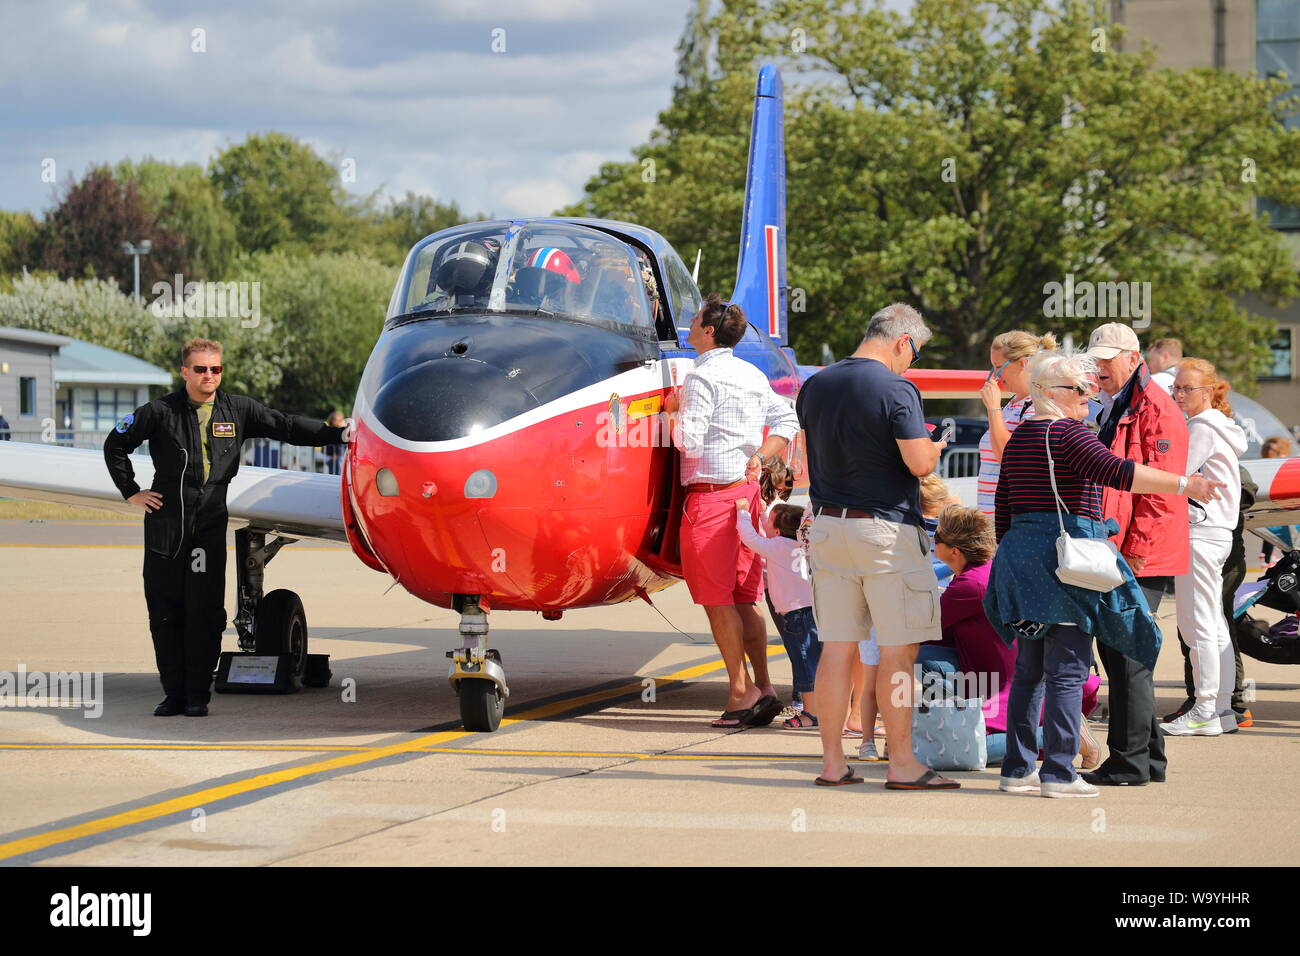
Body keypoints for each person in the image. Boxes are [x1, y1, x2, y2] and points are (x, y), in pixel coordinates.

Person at [984, 348, 1222, 797]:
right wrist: (1184, 484)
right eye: (1080, 389)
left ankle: (1017, 769)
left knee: (1030, 670)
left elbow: (1003, 506)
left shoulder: (1020, 438)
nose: (1089, 398)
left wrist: (1009, 559)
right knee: (1068, 669)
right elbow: (1119, 473)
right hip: (1066, 562)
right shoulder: (1069, 434)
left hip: (1023, 558)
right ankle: (1057, 772)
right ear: (1052, 392)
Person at [104, 338, 351, 717]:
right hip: (167, 522)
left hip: (209, 518)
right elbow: (115, 443)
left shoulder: (238, 409)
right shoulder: (158, 411)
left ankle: (197, 696)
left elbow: (285, 426)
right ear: (185, 372)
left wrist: (336, 434)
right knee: (165, 611)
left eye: (215, 369)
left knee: (203, 611)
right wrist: (131, 492)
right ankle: (173, 694)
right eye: (200, 369)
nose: (208, 375)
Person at [796, 302, 958, 790]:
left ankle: (832, 762)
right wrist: (933, 446)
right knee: (896, 651)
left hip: (828, 526)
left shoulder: (815, 385)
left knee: (836, 649)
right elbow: (918, 464)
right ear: (901, 341)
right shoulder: (896, 387)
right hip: (885, 531)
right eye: (915, 353)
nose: (913, 363)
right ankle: (902, 763)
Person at [667, 294, 799, 729]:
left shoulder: (701, 377)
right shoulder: (751, 373)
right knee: (745, 596)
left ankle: (739, 694)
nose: (688, 325)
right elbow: (788, 421)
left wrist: (670, 414)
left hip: (710, 497)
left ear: (708, 330)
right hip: (746, 495)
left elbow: (687, 440)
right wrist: (762, 454)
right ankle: (763, 685)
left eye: (694, 320)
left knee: (715, 599)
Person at [1085, 322, 1190, 787]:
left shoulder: (1156, 409)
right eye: (1096, 358)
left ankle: (1129, 763)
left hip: (1139, 552)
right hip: (1123, 547)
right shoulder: (1119, 402)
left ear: (1132, 358)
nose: (1100, 366)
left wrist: (1137, 554)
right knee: (1125, 653)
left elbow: (1161, 492)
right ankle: (1148, 758)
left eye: (1108, 358)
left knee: (1126, 656)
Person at [1163, 360, 1246, 736]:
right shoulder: (1220, 426)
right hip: (1216, 533)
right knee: (1211, 622)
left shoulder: (1201, 427)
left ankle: (1206, 708)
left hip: (1201, 531)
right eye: (1176, 388)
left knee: (1195, 623)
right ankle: (1222, 707)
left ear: (1208, 392)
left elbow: (1172, 475)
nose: (1179, 395)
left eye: (1187, 389)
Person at [733, 499, 821, 729]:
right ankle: (819, 708)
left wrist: (743, 514)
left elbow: (751, 538)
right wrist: (765, 513)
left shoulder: (777, 547)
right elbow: (771, 530)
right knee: (813, 661)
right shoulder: (801, 543)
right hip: (811, 612)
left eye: (769, 522)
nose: (766, 524)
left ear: (779, 531)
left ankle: (810, 713)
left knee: (802, 664)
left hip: (795, 616)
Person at [978, 331, 1057, 516]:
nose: (995, 375)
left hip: (1011, 519)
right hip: (992, 518)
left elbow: (1007, 456)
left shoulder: (1038, 405)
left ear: (1022, 364)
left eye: (998, 367)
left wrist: (993, 409)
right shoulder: (1013, 404)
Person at [1259, 436, 1294, 566]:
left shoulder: (1263, 465)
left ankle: (1266, 556)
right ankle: (1269, 556)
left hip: (1271, 503)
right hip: (1280, 504)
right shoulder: (1280, 464)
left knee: (1274, 529)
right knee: (1282, 530)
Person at [323, 410, 346, 475]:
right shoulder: (330, 429)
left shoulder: (341, 429)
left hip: (339, 456)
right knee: (334, 472)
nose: (340, 422)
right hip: (332, 456)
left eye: (340, 420)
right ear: (333, 420)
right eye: (338, 420)